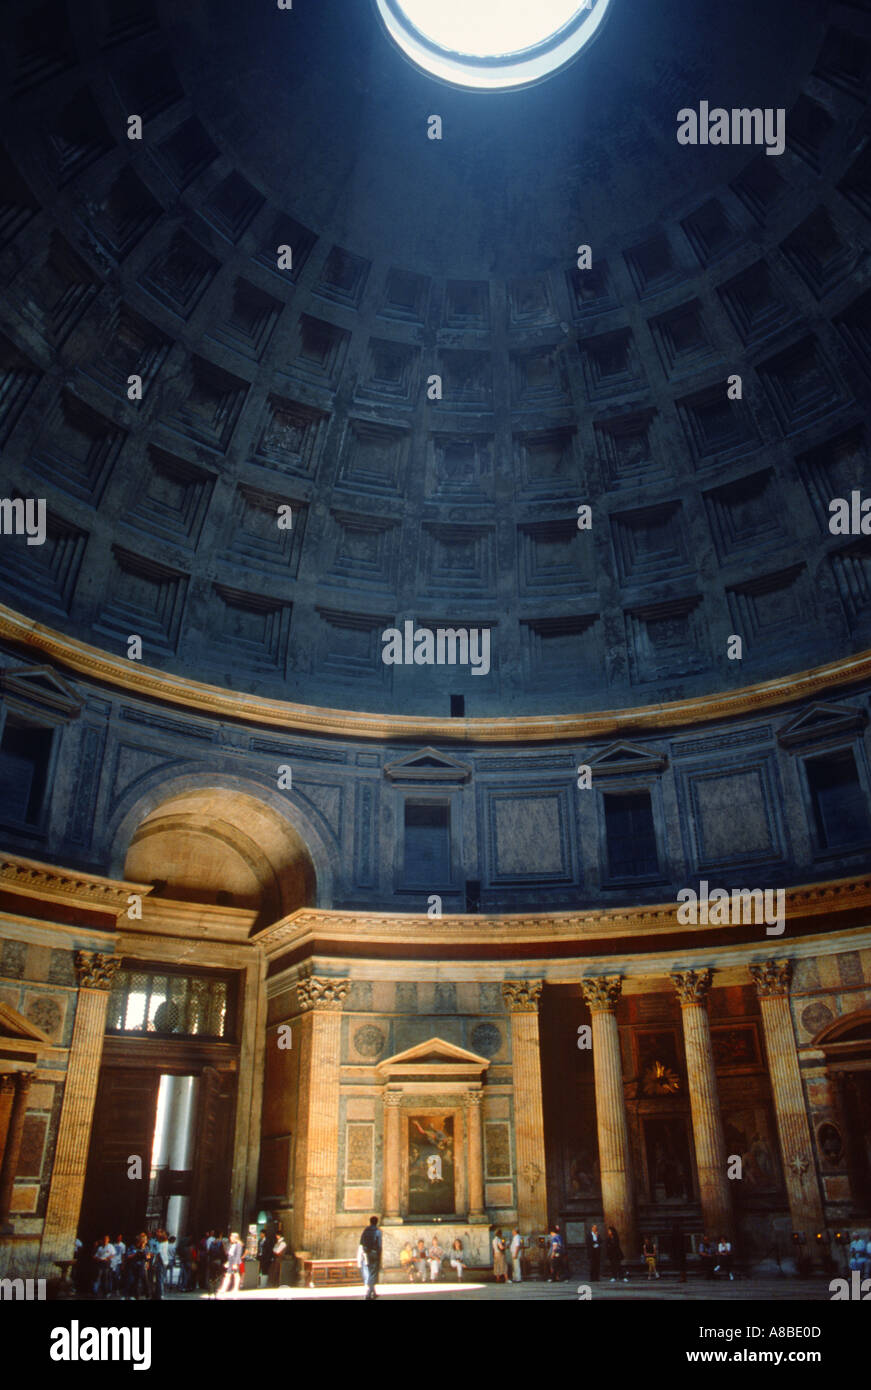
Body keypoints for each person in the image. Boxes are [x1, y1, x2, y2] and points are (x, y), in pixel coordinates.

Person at [358, 1215, 382, 1300]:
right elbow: (379, 1245)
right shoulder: (378, 1231)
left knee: (367, 1272)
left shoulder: (365, 1231)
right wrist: (379, 1256)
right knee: (373, 1273)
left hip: (366, 1253)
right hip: (374, 1253)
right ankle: (369, 1292)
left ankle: (373, 1291)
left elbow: (361, 1242)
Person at [218, 1232, 243, 1297]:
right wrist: (228, 1262)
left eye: (232, 1237)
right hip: (230, 1261)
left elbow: (238, 1255)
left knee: (235, 1275)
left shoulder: (238, 1245)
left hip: (235, 1261)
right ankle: (224, 1289)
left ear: (235, 1238)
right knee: (228, 1275)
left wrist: (235, 1263)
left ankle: (235, 1288)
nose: (230, 1238)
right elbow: (229, 1254)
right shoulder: (231, 1244)